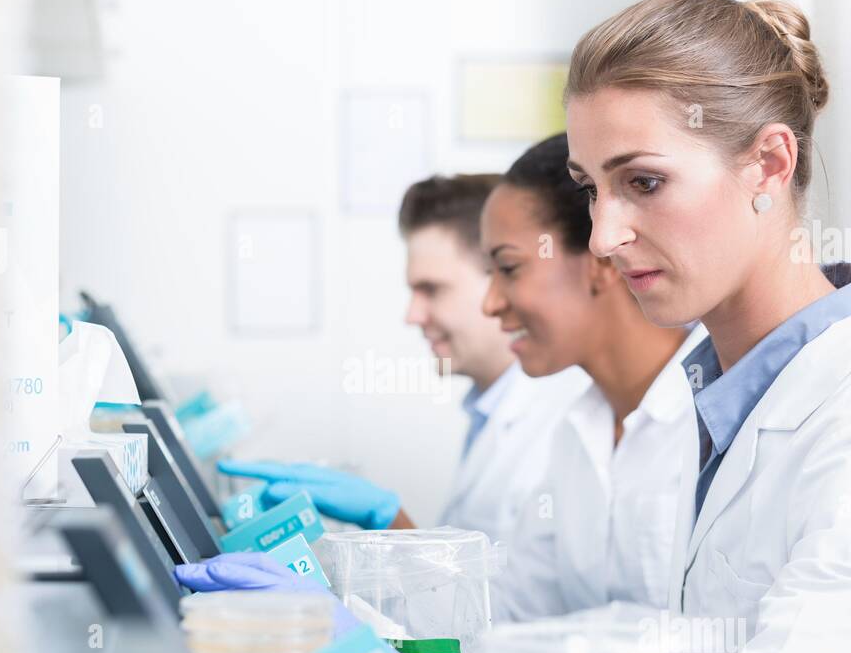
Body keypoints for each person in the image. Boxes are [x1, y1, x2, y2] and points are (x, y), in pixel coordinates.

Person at [179, 0, 851, 653]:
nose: (602, 235)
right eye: (593, 187)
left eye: (644, 182)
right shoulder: (729, 399)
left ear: (769, 165)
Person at [219, 174, 588, 541]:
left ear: (501, 279)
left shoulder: (556, 424)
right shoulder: (490, 411)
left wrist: (390, 519)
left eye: (431, 289)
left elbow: (497, 596)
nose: (412, 315)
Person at [479, 133, 706, 622]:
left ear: (601, 261)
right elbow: (509, 619)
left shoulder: (713, 418)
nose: (490, 303)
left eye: (509, 268)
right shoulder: (576, 435)